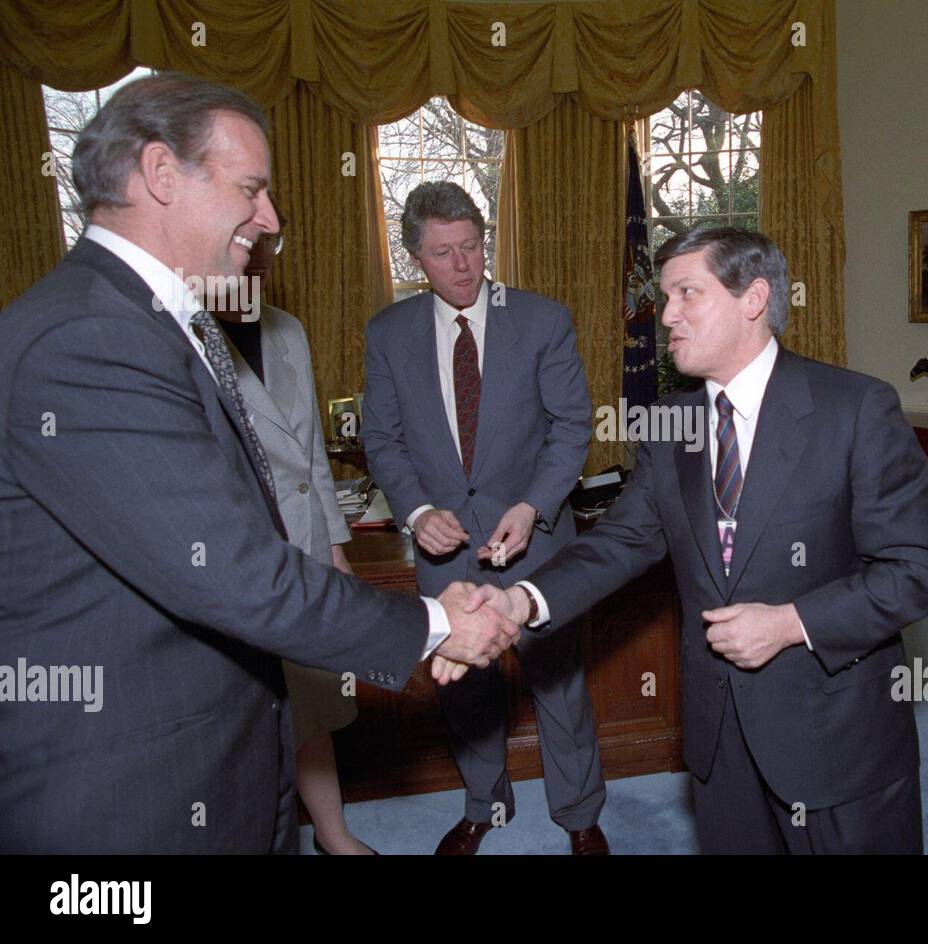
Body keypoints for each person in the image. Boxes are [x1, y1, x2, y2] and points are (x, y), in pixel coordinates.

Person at [0, 73, 517, 853]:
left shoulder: (143, 321)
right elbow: (234, 573)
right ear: (161, 175)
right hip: (132, 792)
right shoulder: (89, 340)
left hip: (212, 753)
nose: (269, 219)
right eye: (251, 189)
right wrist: (439, 623)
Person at [460, 227, 928, 854]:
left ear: (753, 299)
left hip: (834, 736)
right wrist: (523, 600)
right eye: (666, 297)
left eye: (686, 294)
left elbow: (918, 570)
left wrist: (790, 623)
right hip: (719, 734)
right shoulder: (673, 424)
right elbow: (621, 541)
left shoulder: (855, 409)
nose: (666, 315)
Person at [363, 181, 608, 855]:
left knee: (559, 681)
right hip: (446, 551)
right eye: (443, 252)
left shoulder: (541, 319)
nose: (463, 264)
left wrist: (533, 506)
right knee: (465, 686)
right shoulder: (387, 334)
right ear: (416, 258)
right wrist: (415, 512)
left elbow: (571, 424)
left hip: (536, 541)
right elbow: (381, 438)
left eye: (471, 246)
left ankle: (580, 816)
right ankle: (484, 804)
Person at [215, 211, 376, 854]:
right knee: (241, 719)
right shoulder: (175, 333)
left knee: (312, 703)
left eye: (268, 243)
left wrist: (334, 548)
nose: (258, 255)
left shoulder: (287, 330)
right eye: (244, 239)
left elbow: (311, 453)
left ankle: (333, 837)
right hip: (234, 560)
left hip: (304, 547)